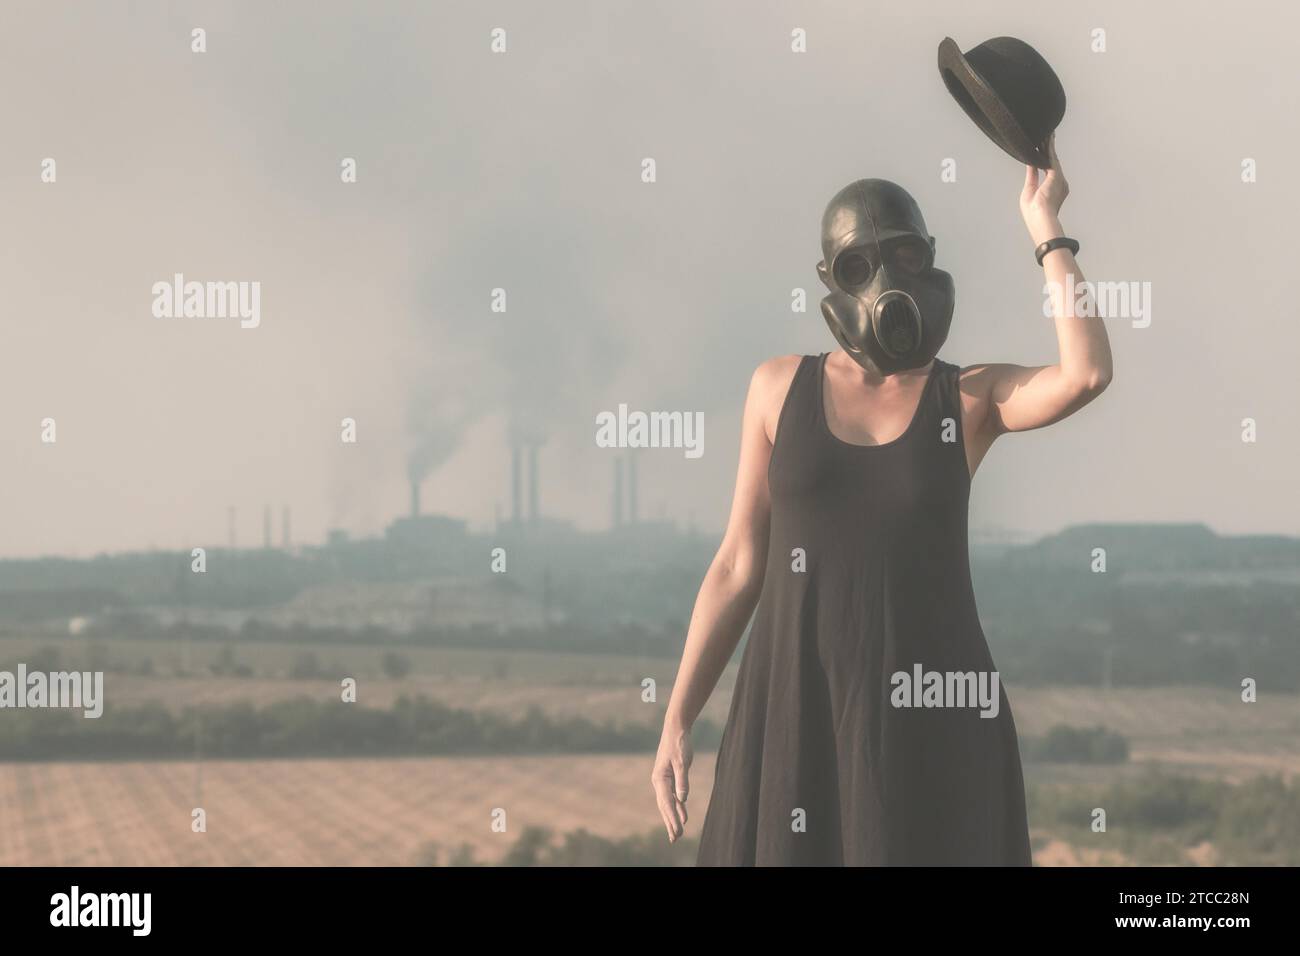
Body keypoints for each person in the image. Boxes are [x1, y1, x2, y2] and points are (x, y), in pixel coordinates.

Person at [650, 137, 1112, 865]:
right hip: (792, 706)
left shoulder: (967, 395)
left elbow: (1084, 374)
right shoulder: (777, 388)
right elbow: (740, 563)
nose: (886, 279)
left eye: (904, 256)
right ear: (827, 280)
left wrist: (1046, 226)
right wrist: (677, 718)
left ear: (929, 256)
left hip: (931, 714)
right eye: (858, 265)